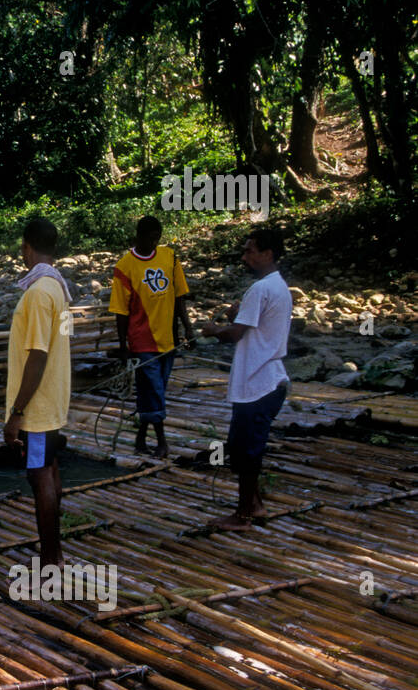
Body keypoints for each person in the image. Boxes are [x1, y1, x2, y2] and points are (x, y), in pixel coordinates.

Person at [200, 228, 292, 532]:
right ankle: (254, 504)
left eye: (250, 250)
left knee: (245, 450)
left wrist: (213, 330)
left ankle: (242, 515)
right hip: (267, 378)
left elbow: (235, 334)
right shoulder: (278, 288)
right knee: (246, 446)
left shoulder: (261, 289)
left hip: (258, 382)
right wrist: (233, 317)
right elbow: (249, 325)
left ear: (267, 254)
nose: (245, 256)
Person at [3, 217, 72, 570]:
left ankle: (51, 558)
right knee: (49, 470)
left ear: (27, 247)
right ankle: (53, 552)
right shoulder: (56, 286)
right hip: (51, 402)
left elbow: (38, 354)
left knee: (39, 474)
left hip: (37, 409)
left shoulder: (39, 292)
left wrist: (17, 412)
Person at [108, 215, 196, 458]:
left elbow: (179, 297)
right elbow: (120, 311)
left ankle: (139, 438)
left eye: (156, 237)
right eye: (148, 237)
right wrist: (123, 345)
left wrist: (187, 329)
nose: (153, 241)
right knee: (154, 389)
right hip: (142, 340)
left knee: (154, 390)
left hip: (168, 338)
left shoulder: (171, 257)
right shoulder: (124, 266)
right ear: (139, 236)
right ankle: (161, 442)